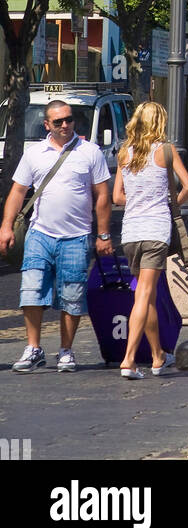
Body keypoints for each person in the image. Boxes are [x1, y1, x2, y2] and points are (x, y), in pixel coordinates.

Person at [0, 98, 113, 373]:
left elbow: (103, 196)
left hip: (77, 236)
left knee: (72, 296)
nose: (65, 125)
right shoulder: (34, 154)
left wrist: (104, 234)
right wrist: (5, 226)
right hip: (40, 233)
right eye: (59, 121)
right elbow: (17, 191)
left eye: (69, 120)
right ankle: (33, 348)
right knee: (31, 291)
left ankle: (66, 351)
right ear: (47, 124)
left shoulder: (90, 152)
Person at [111, 101, 188, 378]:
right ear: (160, 122)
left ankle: (158, 356)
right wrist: (171, 205)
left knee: (147, 295)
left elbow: (117, 197)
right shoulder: (166, 151)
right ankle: (129, 360)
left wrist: (139, 199)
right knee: (144, 295)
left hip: (131, 232)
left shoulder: (125, 153)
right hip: (156, 230)